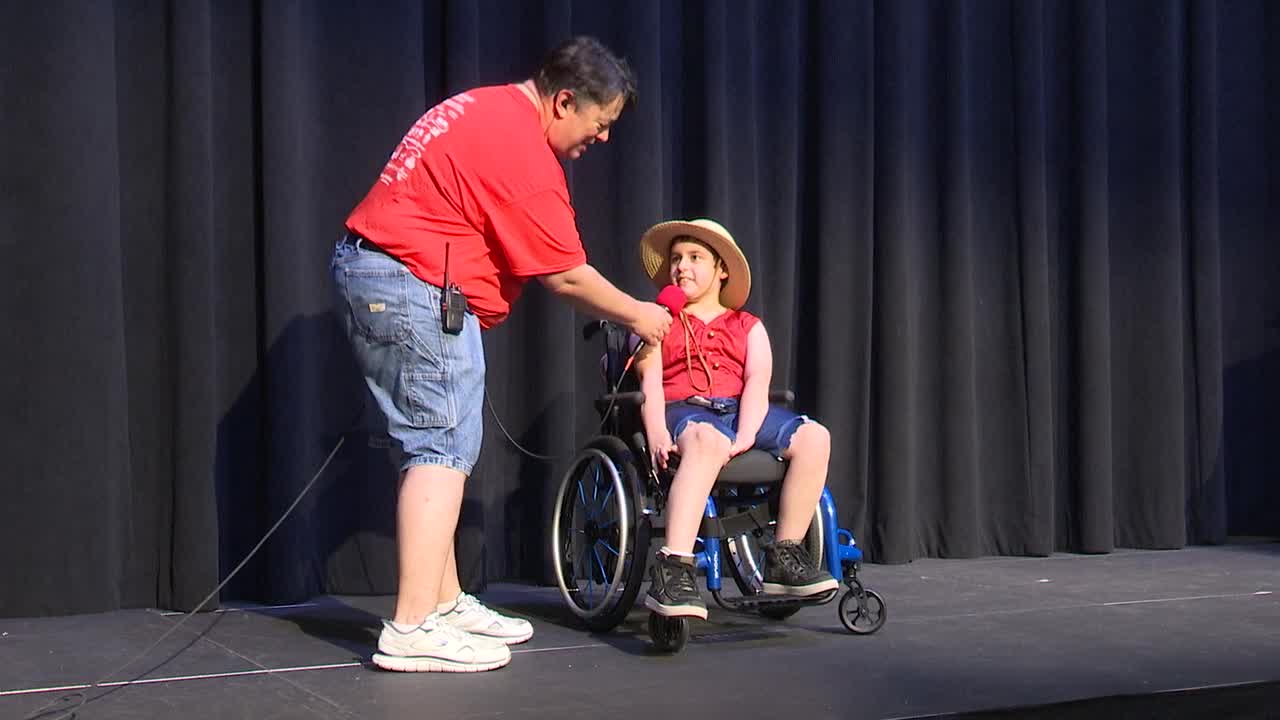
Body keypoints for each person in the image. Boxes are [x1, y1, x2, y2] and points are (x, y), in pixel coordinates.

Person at [331, 37, 671, 673]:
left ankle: (442, 602)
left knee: (436, 445)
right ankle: (413, 625)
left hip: (392, 276)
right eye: (600, 122)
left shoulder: (486, 107)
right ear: (564, 101)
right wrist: (640, 314)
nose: (602, 138)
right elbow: (565, 276)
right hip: (412, 284)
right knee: (439, 448)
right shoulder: (520, 145)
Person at [632, 218, 839, 620]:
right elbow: (650, 383)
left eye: (694, 257)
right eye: (676, 258)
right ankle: (674, 567)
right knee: (708, 441)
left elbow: (757, 381)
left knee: (815, 437)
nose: (681, 266)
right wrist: (656, 432)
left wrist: (745, 433)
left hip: (738, 409)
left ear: (721, 270)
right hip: (685, 409)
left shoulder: (748, 326)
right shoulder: (656, 320)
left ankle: (784, 556)